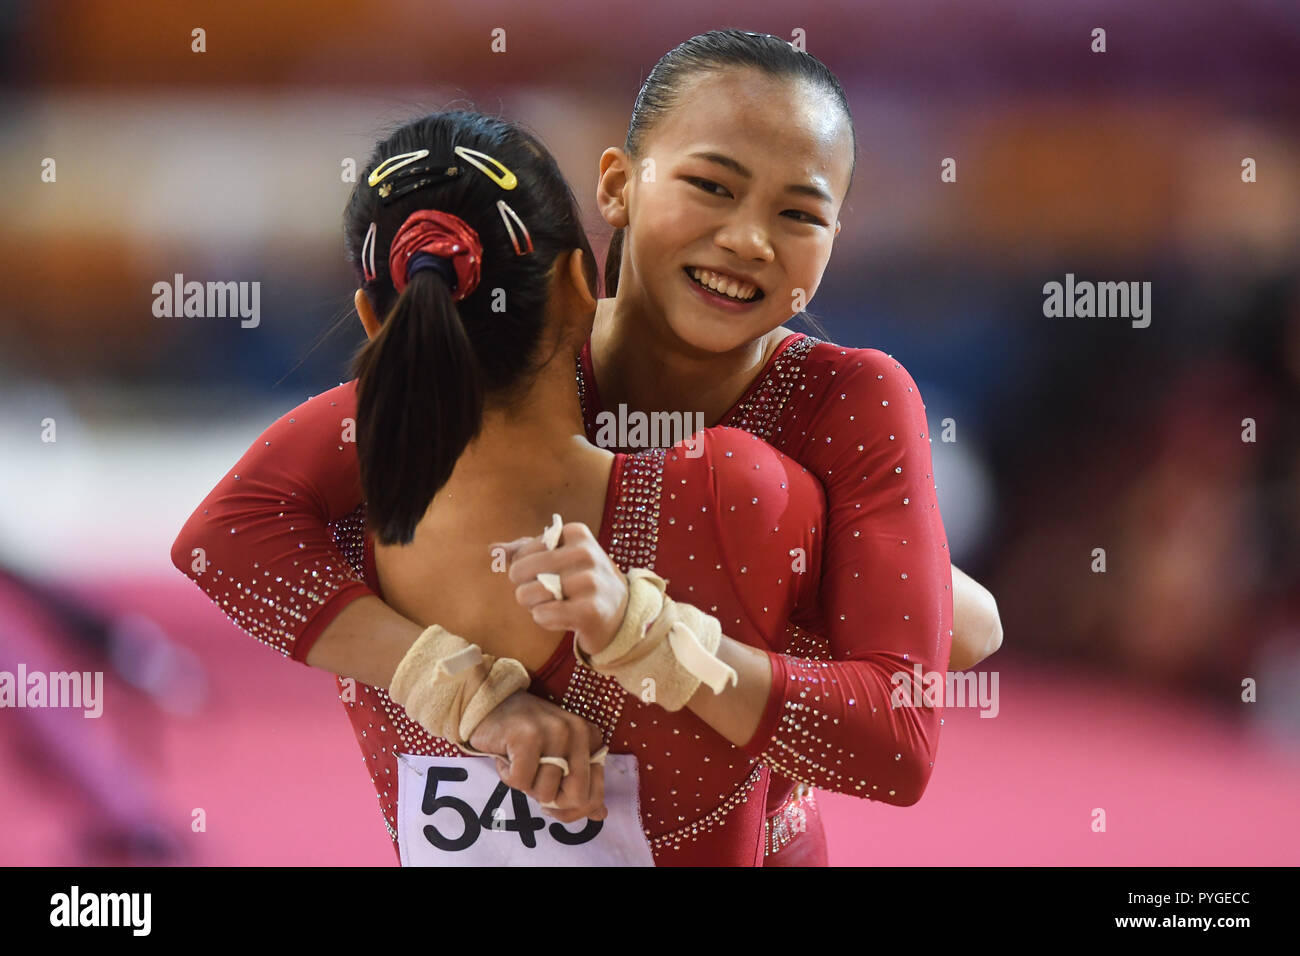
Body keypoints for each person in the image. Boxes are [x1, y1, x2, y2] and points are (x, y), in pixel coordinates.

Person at [173, 29, 997, 865]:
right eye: (712, 185)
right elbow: (226, 536)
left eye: (800, 213)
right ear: (617, 185)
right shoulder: (507, 347)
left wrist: (662, 637)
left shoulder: (847, 397)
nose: (751, 240)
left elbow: (898, 735)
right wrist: (450, 684)